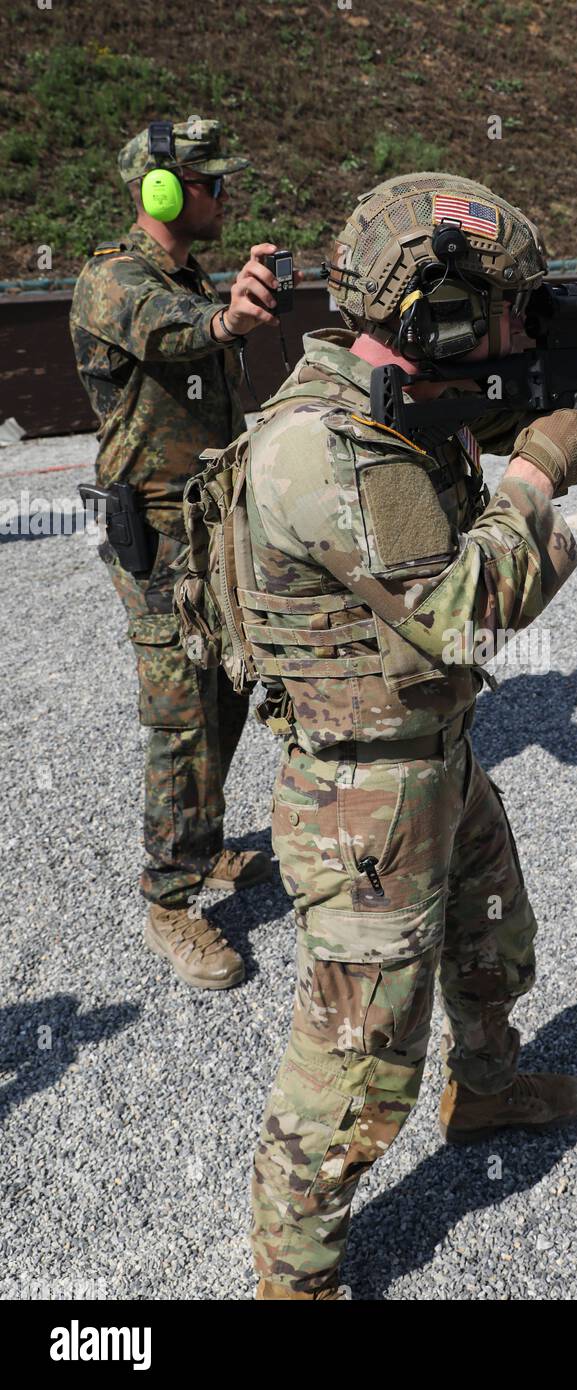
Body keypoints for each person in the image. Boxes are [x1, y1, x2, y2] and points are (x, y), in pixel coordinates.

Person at [228, 173, 577, 1299]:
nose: (520, 329)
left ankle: (483, 1088)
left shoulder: (395, 384)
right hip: (359, 800)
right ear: (437, 311)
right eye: (506, 307)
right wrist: (535, 470)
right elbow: (469, 602)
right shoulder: (320, 448)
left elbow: (508, 405)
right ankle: (295, 1271)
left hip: (434, 755)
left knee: (492, 936)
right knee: (354, 1054)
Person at [69, 118, 283, 989]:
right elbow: (173, 331)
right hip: (155, 541)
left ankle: (203, 841)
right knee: (179, 720)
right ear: (163, 190)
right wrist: (230, 318)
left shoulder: (186, 277)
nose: (225, 195)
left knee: (226, 690)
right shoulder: (113, 280)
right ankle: (169, 901)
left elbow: (197, 319)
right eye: (212, 183)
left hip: (209, 530)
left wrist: (227, 306)